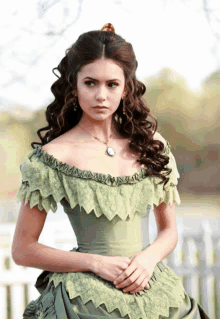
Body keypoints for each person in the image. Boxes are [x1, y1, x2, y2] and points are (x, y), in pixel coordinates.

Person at [12, 23, 210, 319]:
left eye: (111, 84)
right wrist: (95, 263)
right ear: (74, 85)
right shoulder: (53, 157)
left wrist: (147, 260)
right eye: (90, 83)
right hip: (82, 300)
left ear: (126, 87)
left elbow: (168, 231)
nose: (101, 95)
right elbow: (23, 249)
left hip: (150, 286)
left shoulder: (152, 146)